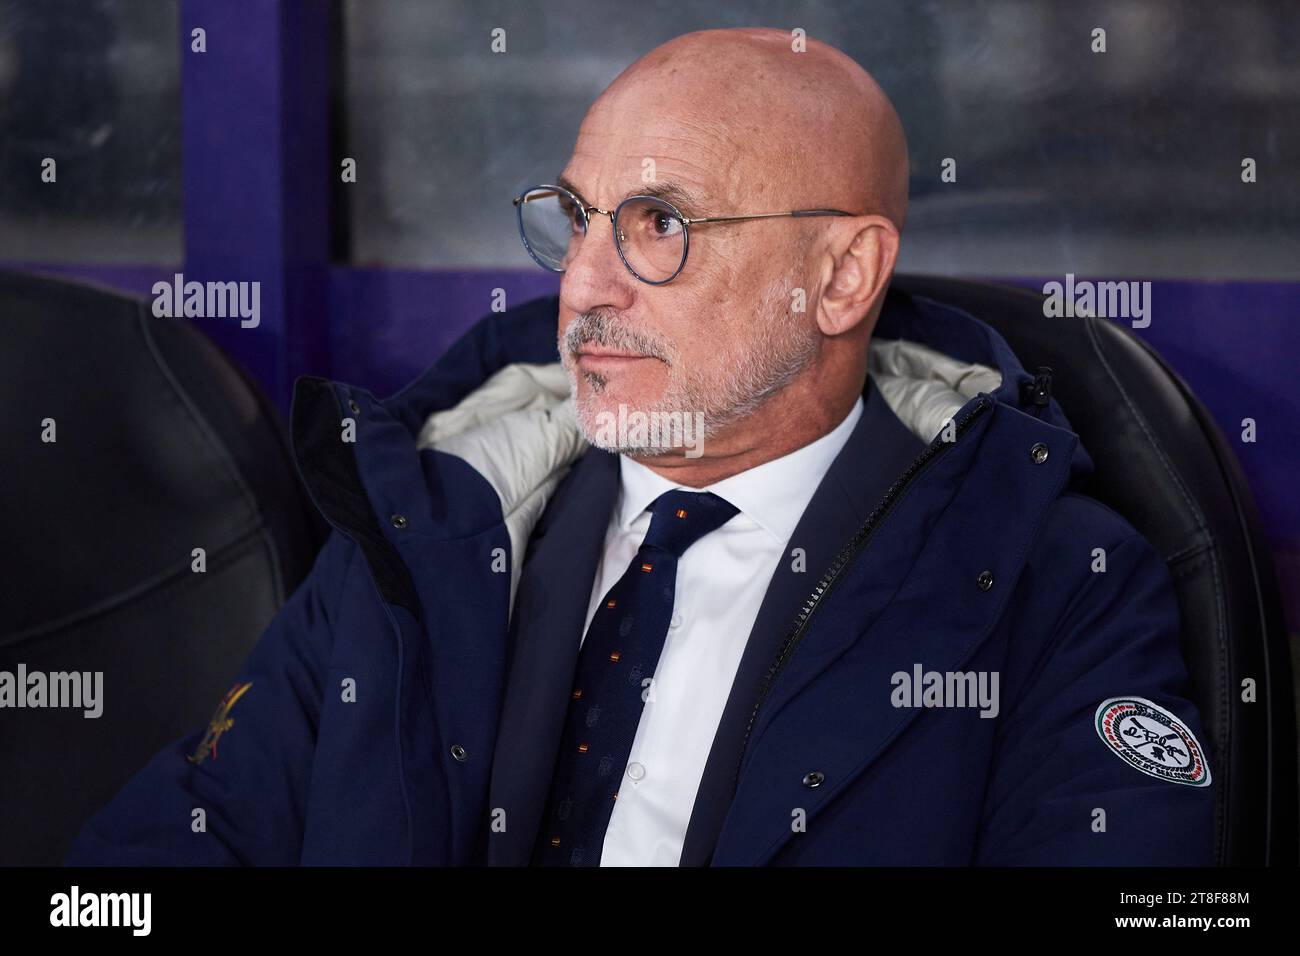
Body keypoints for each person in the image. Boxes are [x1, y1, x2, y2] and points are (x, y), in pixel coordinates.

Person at [66, 27, 1214, 867]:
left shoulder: (1055, 585)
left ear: (840, 276)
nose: (582, 287)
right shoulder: (424, 518)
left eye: (658, 223)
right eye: (575, 219)